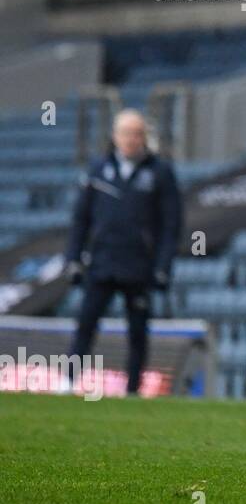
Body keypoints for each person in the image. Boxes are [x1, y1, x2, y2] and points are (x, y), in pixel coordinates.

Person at [64, 109, 182, 396]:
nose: (131, 139)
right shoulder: (97, 169)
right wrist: (73, 259)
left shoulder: (160, 173)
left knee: (138, 332)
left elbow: (171, 225)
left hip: (138, 266)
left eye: (137, 133)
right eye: (125, 133)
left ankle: (132, 389)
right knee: (85, 324)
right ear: (114, 136)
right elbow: (81, 218)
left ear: (144, 137)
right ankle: (67, 383)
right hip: (101, 262)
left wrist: (163, 266)